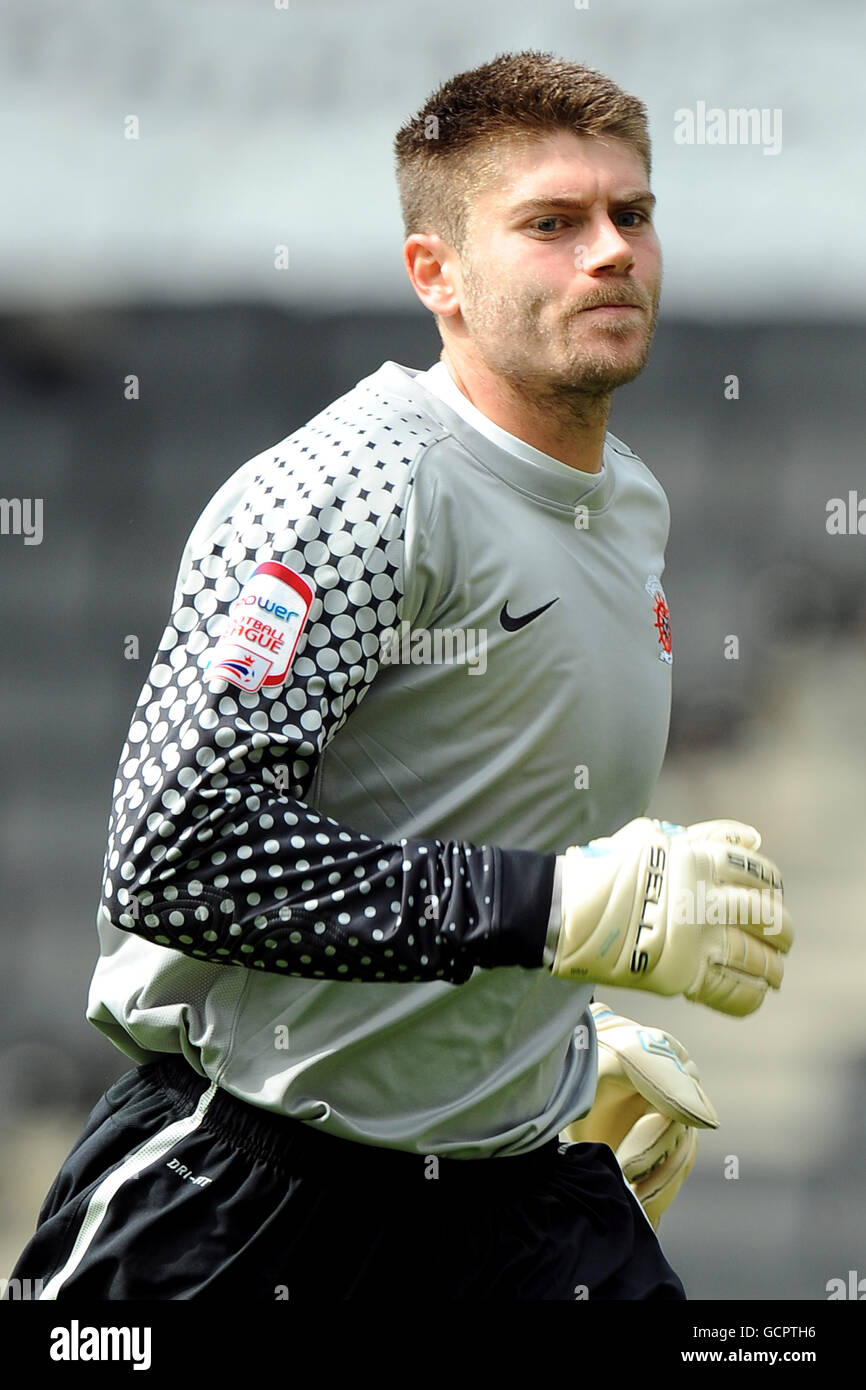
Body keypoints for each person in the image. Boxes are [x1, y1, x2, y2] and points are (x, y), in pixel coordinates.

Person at [10, 50, 792, 1302]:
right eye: (550, 223)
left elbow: (462, 812)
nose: (609, 251)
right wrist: (560, 914)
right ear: (435, 272)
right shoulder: (357, 491)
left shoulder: (627, 499)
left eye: (629, 215)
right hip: (248, 1199)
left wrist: (541, 1055)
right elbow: (179, 856)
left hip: (517, 1192)